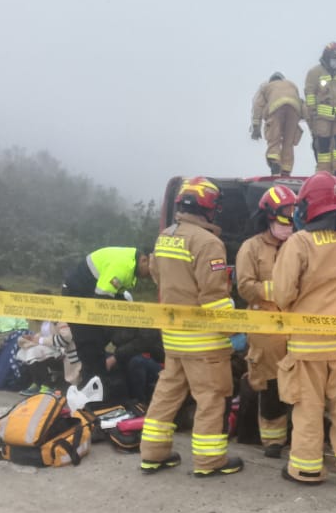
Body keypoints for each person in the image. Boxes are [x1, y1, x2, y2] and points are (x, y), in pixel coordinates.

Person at [272, 171, 336, 488]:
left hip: (308, 343)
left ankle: (306, 469)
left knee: (308, 407)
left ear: (309, 206)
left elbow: (282, 293)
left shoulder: (299, 242)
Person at [139, 177, 244, 477]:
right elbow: (213, 298)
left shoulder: (165, 236)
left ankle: (153, 454)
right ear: (210, 209)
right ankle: (210, 461)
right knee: (211, 398)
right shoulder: (208, 243)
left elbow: (159, 278)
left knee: (166, 394)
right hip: (204, 342)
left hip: (173, 337)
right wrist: (234, 330)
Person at [235, 184, 297, 458]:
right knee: (270, 385)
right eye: (284, 215)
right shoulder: (252, 248)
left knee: (299, 383)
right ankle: (272, 442)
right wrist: (278, 290)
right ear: (269, 216)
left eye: (293, 214)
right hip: (265, 328)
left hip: (296, 324)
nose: (289, 222)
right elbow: (245, 286)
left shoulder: (297, 245)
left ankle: (300, 438)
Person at [61, 247, 153, 386]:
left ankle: (101, 386)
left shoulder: (130, 264)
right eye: (151, 270)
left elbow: (115, 296)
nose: (151, 276)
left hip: (88, 295)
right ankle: (92, 395)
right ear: (144, 259)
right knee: (90, 349)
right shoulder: (123, 266)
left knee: (98, 348)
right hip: (78, 297)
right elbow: (102, 298)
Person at [304, 42, 336, 176]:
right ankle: (323, 173)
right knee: (323, 147)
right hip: (322, 118)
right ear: (327, 58)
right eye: (334, 59)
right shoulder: (315, 73)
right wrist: (312, 114)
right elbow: (310, 94)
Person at [250, 72, 304, 177]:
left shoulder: (266, 87)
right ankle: (286, 170)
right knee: (288, 142)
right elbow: (302, 104)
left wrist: (256, 126)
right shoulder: (291, 85)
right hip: (294, 110)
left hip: (276, 109)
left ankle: (275, 163)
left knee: (274, 137)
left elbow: (258, 106)